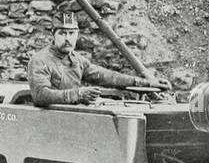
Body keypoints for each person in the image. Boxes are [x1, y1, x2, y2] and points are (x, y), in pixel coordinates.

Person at [27, 12, 162, 106]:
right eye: (62, 33)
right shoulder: (40, 60)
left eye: (71, 33)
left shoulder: (77, 60)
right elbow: (40, 95)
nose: (67, 38)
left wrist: (146, 83)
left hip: (71, 114)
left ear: (77, 34)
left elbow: (106, 76)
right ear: (53, 35)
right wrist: (77, 94)